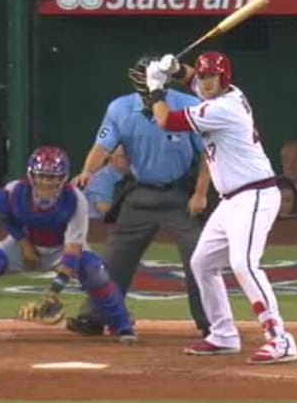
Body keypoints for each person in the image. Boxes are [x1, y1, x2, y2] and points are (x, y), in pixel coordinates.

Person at [143, 51, 297, 363]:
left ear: (223, 78)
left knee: (243, 264)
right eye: (203, 76)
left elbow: (165, 120)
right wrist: (175, 69)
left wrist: (155, 89)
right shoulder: (226, 93)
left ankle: (280, 339)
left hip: (255, 195)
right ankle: (223, 334)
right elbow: (192, 79)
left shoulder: (223, 108)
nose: (205, 81)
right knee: (202, 263)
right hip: (232, 201)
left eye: (212, 76)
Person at [0, 146, 138, 343]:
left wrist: (54, 291)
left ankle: (122, 326)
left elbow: (73, 249)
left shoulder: (75, 200)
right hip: (20, 245)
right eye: (42, 176)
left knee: (95, 272)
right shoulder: (13, 192)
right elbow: (4, 215)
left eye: (52, 178)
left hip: (60, 248)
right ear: (31, 176)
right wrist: (24, 244)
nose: (46, 183)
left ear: (62, 178)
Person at [68, 56, 212, 339]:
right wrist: (87, 172)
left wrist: (200, 193)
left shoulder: (188, 105)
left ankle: (211, 323)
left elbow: (208, 154)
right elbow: (102, 146)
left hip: (181, 193)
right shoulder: (120, 108)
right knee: (116, 256)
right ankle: (96, 316)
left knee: (200, 258)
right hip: (141, 192)